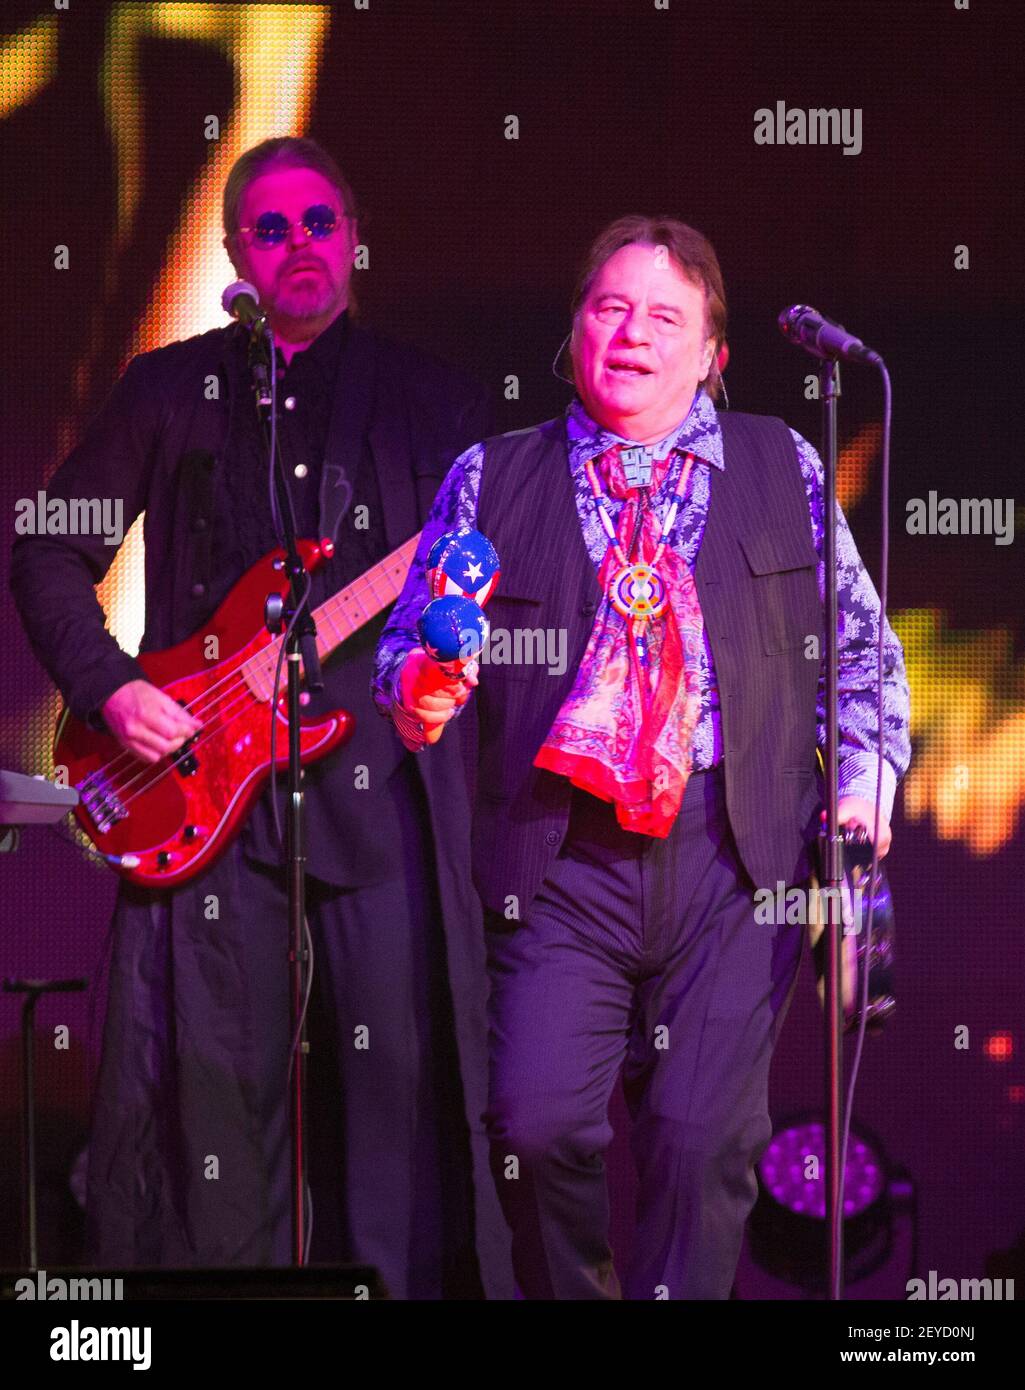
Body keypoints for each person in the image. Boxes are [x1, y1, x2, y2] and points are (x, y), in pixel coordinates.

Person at [10, 136, 513, 1300]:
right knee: (212, 1128)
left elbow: (480, 584)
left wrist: (453, 626)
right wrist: (110, 684)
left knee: (394, 1125)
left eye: (320, 222)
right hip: (208, 819)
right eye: (271, 227)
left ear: (354, 239)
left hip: (376, 805)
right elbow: (48, 551)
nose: (299, 246)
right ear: (238, 250)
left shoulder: (434, 404)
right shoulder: (168, 389)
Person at [373, 215, 912, 1299]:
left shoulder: (783, 464)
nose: (630, 333)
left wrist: (858, 797)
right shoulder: (491, 477)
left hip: (732, 859)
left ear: (712, 355)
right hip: (557, 861)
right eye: (608, 308)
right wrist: (427, 685)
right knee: (535, 1125)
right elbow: (401, 665)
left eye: (664, 316)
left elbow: (859, 661)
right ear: (573, 330)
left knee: (699, 1140)